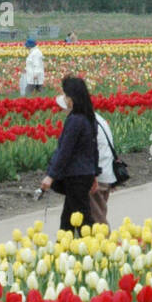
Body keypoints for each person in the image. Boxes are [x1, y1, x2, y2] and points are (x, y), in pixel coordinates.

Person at [40, 74, 99, 232]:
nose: (64, 99)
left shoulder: (75, 120)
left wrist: (50, 176)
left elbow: (64, 151)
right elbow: (93, 149)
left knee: (82, 220)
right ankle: (64, 251)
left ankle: (96, 251)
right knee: (68, 219)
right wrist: (94, 173)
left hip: (76, 176)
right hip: (84, 174)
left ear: (72, 98)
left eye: (66, 95)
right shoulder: (89, 118)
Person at [90, 100, 118, 228]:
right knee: (97, 217)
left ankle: (107, 246)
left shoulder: (88, 123)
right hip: (107, 174)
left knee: (97, 222)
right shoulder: (100, 120)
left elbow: (90, 152)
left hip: (96, 178)